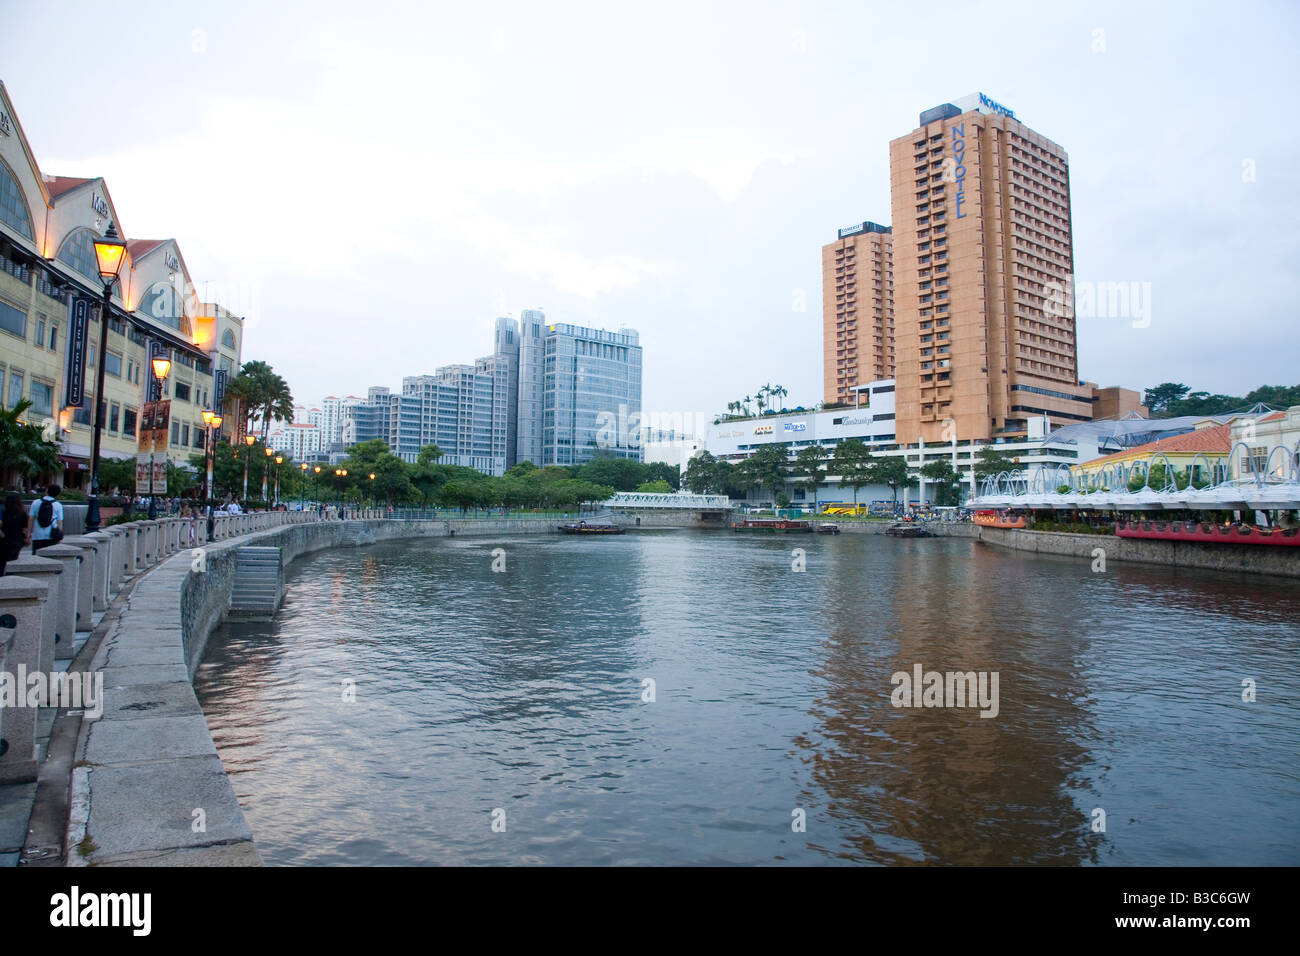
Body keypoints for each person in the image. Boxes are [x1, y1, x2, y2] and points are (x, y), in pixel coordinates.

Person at [28, 483, 64, 553]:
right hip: (51, 536)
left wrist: (28, 533)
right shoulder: (58, 505)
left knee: (36, 557)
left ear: (47, 491)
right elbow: (59, 522)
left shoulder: (35, 502)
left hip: (37, 535)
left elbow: (30, 519)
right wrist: (59, 537)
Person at [1, 492, 28, 575]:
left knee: (2, 561)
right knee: (12, 561)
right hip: (17, 540)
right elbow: (25, 528)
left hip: (3, 540)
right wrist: (27, 538)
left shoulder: (3, 513)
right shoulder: (22, 514)